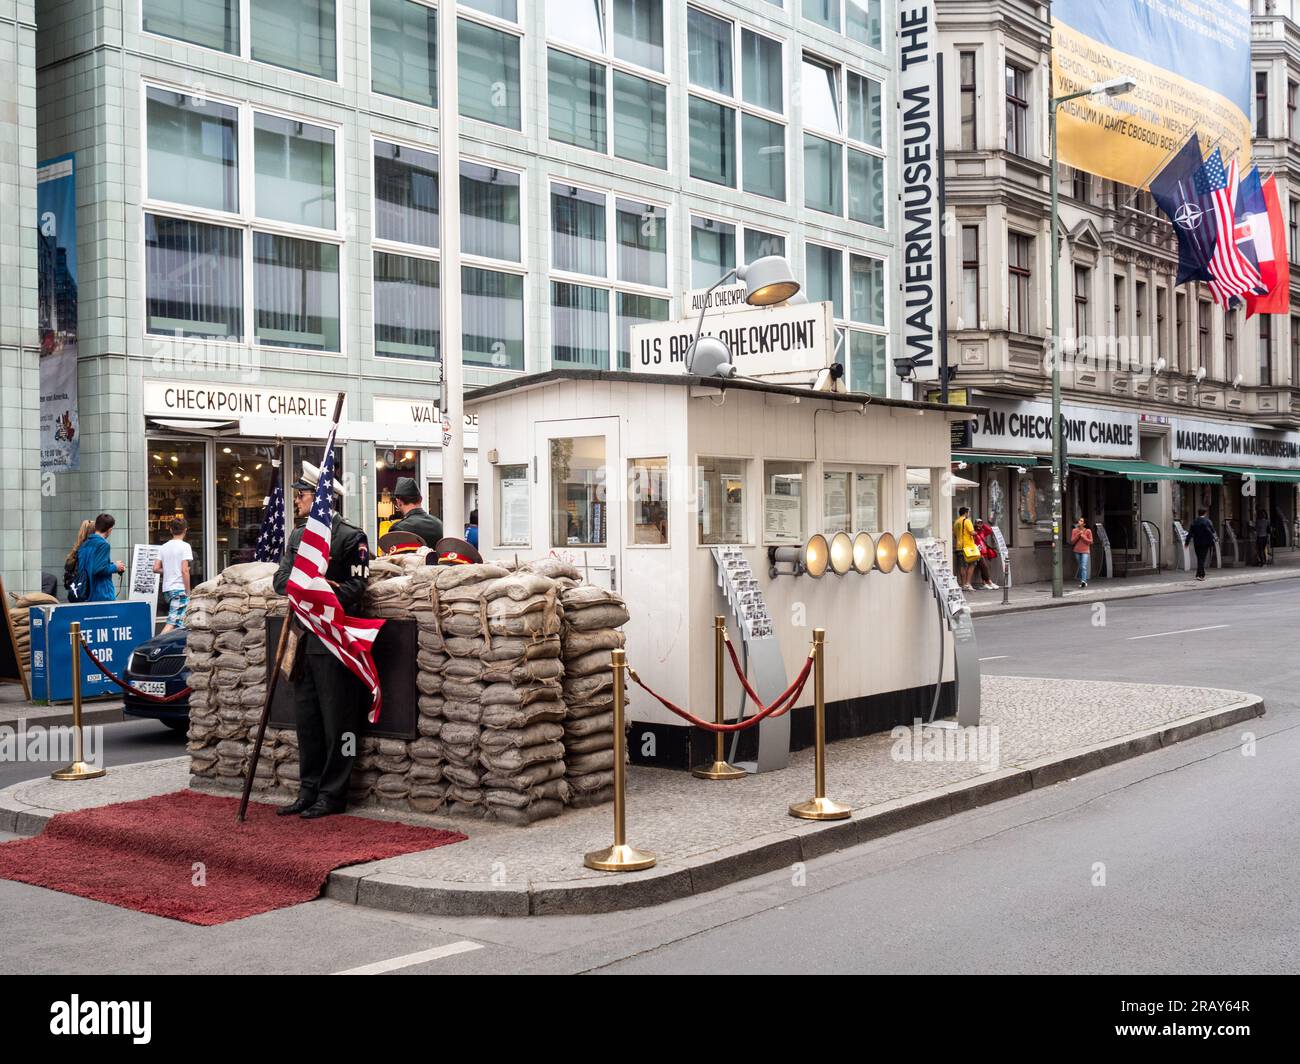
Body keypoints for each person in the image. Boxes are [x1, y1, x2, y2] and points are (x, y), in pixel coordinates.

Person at [272, 464, 372, 820]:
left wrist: (321, 595)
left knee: (338, 721)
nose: (297, 499)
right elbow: (281, 580)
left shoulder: (350, 537)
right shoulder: (299, 537)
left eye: (303, 494)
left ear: (322, 498)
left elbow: (356, 589)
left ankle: (333, 794)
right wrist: (307, 589)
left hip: (333, 638)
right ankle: (308, 788)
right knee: (308, 720)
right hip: (303, 637)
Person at [152, 517, 193, 633]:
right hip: (179, 589)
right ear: (185, 530)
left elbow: (155, 568)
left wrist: (170, 569)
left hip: (167, 589)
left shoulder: (163, 547)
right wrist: (188, 591)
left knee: (180, 623)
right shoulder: (185, 546)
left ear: (170, 530)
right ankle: (155, 645)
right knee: (171, 623)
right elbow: (185, 570)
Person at [74, 514, 125, 602]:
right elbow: (98, 569)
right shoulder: (103, 544)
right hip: (102, 593)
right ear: (110, 529)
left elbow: (90, 566)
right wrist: (116, 567)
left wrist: (112, 565)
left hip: (86, 593)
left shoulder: (85, 544)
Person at [386, 476, 442, 549]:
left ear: (398, 502)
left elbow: (392, 558)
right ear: (421, 499)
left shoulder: (398, 528)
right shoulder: (439, 524)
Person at [63, 519, 93, 600]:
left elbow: (67, 576)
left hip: (75, 592)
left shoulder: (75, 551)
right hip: (86, 593)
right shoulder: (87, 551)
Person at [1184, 508, 1216, 581]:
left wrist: (1187, 542)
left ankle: (1198, 574)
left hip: (1197, 543)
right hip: (1205, 543)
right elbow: (1212, 531)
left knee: (1199, 558)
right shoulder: (1208, 521)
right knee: (1202, 558)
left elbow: (1190, 533)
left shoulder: (1194, 521)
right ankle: (1201, 575)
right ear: (1205, 513)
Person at [952, 506, 978, 591]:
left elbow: (955, 535)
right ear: (966, 513)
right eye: (968, 513)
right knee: (972, 564)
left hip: (959, 547)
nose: (968, 514)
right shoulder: (967, 521)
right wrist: (976, 532)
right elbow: (972, 532)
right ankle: (968, 583)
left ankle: (963, 584)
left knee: (961, 566)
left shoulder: (956, 522)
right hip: (968, 547)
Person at [972, 519, 1000, 590]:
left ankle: (984, 583)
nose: (979, 524)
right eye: (978, 523)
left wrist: (983, 524)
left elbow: (990, 530)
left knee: (984, 568)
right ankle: (989, 582)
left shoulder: (982, 532)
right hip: (978, 553)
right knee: (985, 567)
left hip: (985, 552)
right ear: (975, 524)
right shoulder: (973, 533)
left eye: (980, 523)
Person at [1069, 517, 1094, 589]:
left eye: (1081, 521)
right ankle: (1083, 580)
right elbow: (1072, 541)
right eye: (1079, 520)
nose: (1079, 522)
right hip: (1077, 550)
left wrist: (1083, 537)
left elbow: (1091, 541)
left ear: (1084, 523)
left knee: (1083, 566)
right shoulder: (1074, 530)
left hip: (1085, 551)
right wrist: (1078, 535)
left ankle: (1083, 581)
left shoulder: (1088, 531)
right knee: (1080, 566)